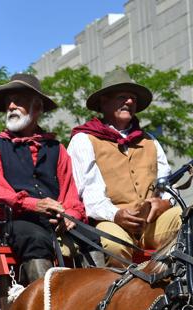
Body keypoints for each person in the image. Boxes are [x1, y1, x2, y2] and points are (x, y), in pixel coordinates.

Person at [0, 73, 86, 282]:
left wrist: (71, 215)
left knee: (92, 239)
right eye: (8, 102)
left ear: (37, 108)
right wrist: (33, 204)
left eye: (18, 101)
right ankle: (44, 307)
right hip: (15, 222)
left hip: (57, 222)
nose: (11, 106)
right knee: (35, 239)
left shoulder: (57, 149)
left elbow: (69, 192)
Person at [69, 67, 181, 266]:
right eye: (123, 96)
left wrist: (165, 203)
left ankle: (182, 288)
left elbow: (168, 185)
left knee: (187, 222)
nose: (129, 102)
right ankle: (119, 295)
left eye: (133, 99)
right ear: (104, 102)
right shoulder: (84, 140)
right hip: (110, 221)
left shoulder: (150, 141)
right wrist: (116, 215)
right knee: (114, 245)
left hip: (151, 224)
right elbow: (88, 195)